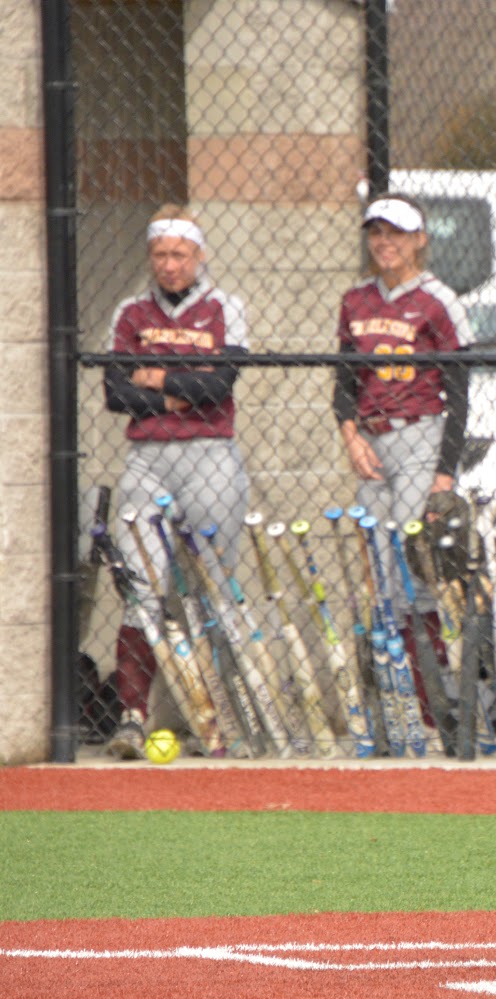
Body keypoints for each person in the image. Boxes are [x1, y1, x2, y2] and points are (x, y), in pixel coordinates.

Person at [102, 205, 251, 759]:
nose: (169, 264)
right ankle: (132, 718)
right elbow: (116, 394)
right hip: (146, 456)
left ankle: (221, 717)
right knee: (142, 588)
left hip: (210, 453)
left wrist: (158, 377)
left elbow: (222, 385)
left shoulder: (224, 307)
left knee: (212, 583)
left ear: (199, 254)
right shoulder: (130, 311)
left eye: (180, 254)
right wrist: (185, 387)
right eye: (160, 254)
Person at [333, 194, 471, 741]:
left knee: (416, 575)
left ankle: (433, 704)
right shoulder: (355, 299)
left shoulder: (439, 301)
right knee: (380, 579)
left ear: (419, 239)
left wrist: (444, 472)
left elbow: (459, 391)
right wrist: (350, 436)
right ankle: (399, 710)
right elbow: (343, 379)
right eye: (376, 233)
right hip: (372, 444)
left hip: (420, 438)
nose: (384, 242)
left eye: (396, 233)